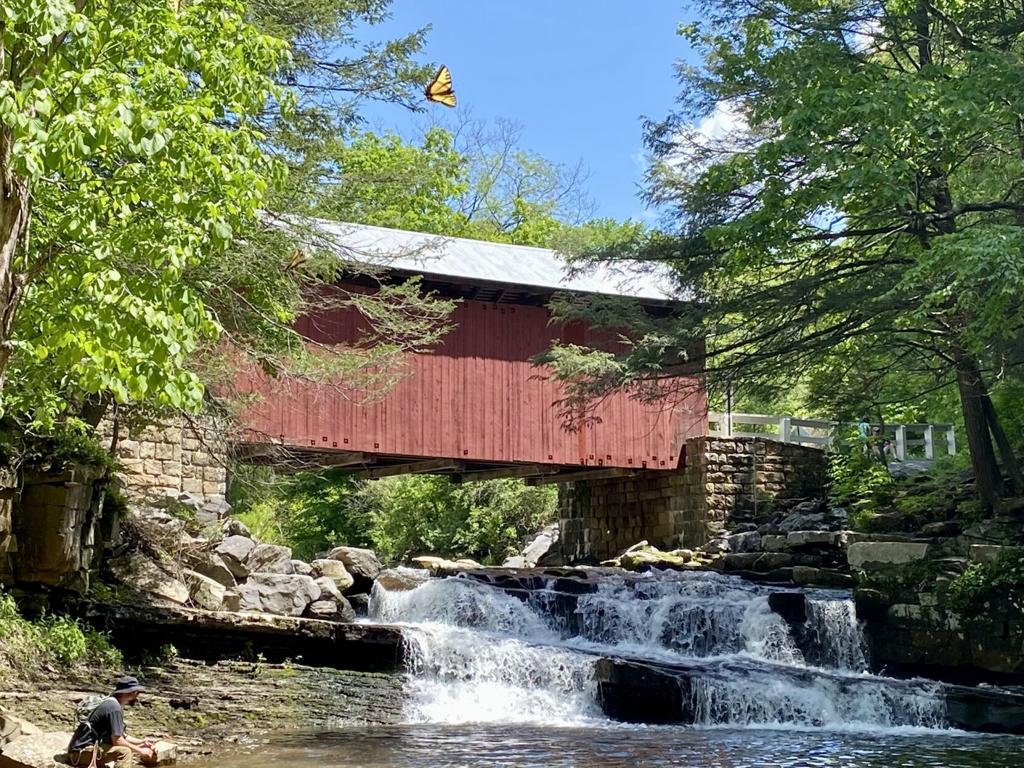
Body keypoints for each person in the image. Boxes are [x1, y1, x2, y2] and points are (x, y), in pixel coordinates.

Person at [67, 676, 157, 766]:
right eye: (137, 692)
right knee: (125, 752)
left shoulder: (111, 703)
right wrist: (141, 751)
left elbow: (121, 736)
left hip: (81, 751)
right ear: (129, 693)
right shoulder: (114, 708)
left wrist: (142, 742)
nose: (137, 696)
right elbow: (118, 741)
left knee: (127, 748)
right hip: (81, 753)